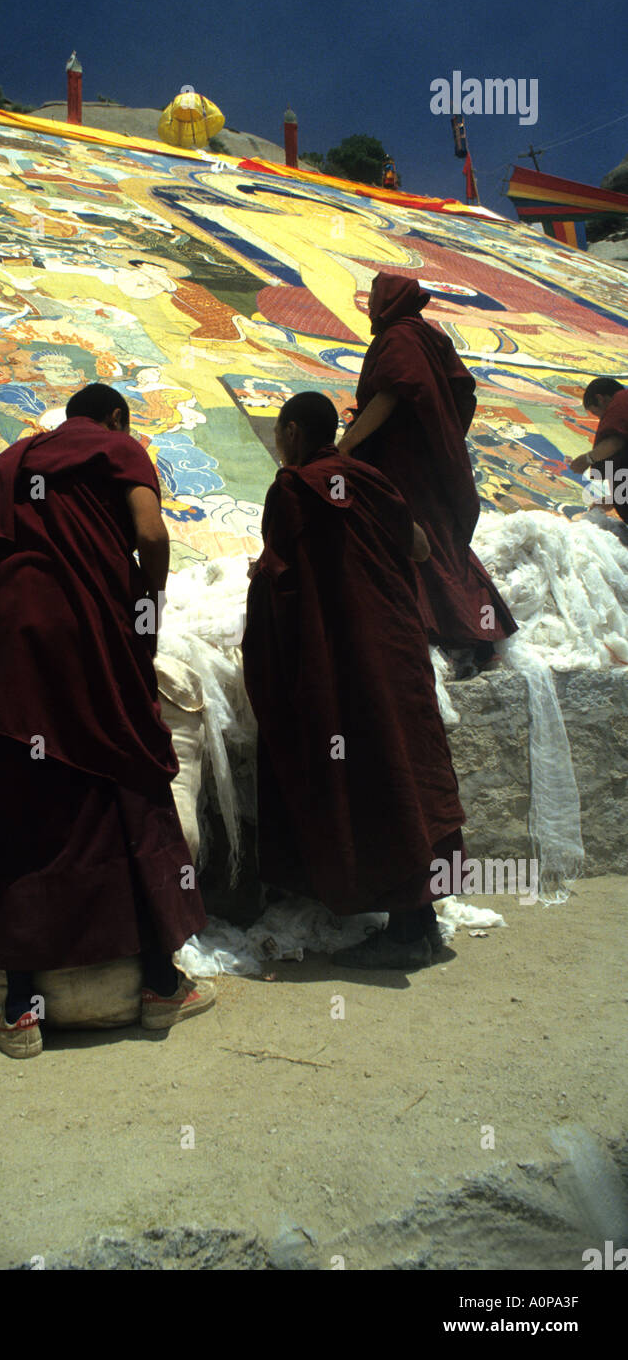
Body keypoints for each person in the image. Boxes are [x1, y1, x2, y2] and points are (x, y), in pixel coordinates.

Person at [0, 383, 213, 1056]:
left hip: (18, 650)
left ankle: (19, 1013)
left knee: (21, 813)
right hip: (89, 642)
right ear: (118, 418)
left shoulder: (18, 459)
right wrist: (145, 602)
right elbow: (150, 533)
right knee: (125, 789)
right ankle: (160, 985)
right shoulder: (118, 447)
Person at [242, 392, 468, 969]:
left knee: (374, 778)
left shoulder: (294, 487)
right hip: (397, 649)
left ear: (293, 432)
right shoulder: (368, 478)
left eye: (278, 433)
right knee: (407, 768)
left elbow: (282, 578)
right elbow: (416, 546)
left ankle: (405, 934)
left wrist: (264, 583)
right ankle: (420, 920)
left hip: (345, 657)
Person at [338, 272, 517, 676]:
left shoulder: (401, 338)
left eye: (373, 299)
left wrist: (348, 445)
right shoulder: (425, 335)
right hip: (428, 456)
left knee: (418, 537)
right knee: (441, 541)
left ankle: (451, 634)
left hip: (403, 460)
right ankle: (476, 639)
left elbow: (393, 392)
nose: (369, 307)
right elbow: (458, 391)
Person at [570, 377, 628, 526]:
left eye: (598, 414)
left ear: (600, 399)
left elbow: (616, 440)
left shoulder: (621, 401)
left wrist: (587, 459)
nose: (603, 419)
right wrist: (614, 499)